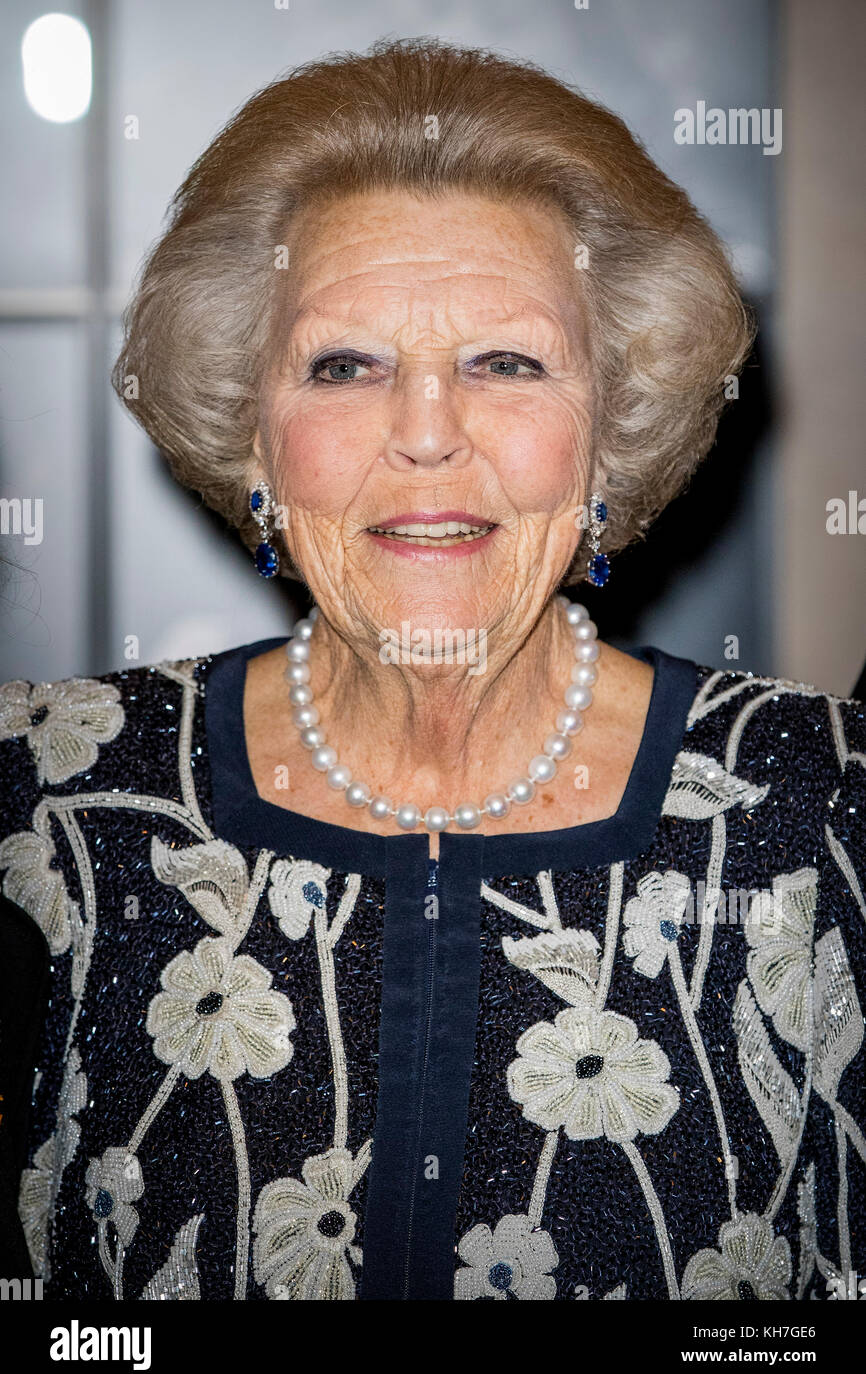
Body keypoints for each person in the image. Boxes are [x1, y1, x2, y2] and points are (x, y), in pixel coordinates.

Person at [0, 38, 863, 1302]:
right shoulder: (45, 800)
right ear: (252, 431)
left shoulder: (821, 804)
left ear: (610, 431)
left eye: (503, 363)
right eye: (342, 366)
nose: (422, 435)